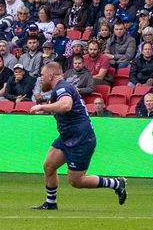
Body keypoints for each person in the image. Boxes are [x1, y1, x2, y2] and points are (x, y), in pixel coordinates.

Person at [28, 59, 126, 210]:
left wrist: (42, 106)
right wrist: (47, 108)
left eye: (42, 75)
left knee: (76, 181)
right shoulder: (61, 89)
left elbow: (66, 105)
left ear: (51, 75)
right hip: (67, 137)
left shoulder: (63, 87)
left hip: (81, 139)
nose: (40, 78)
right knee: (49, 166)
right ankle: (51, 203)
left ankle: (116, 183)